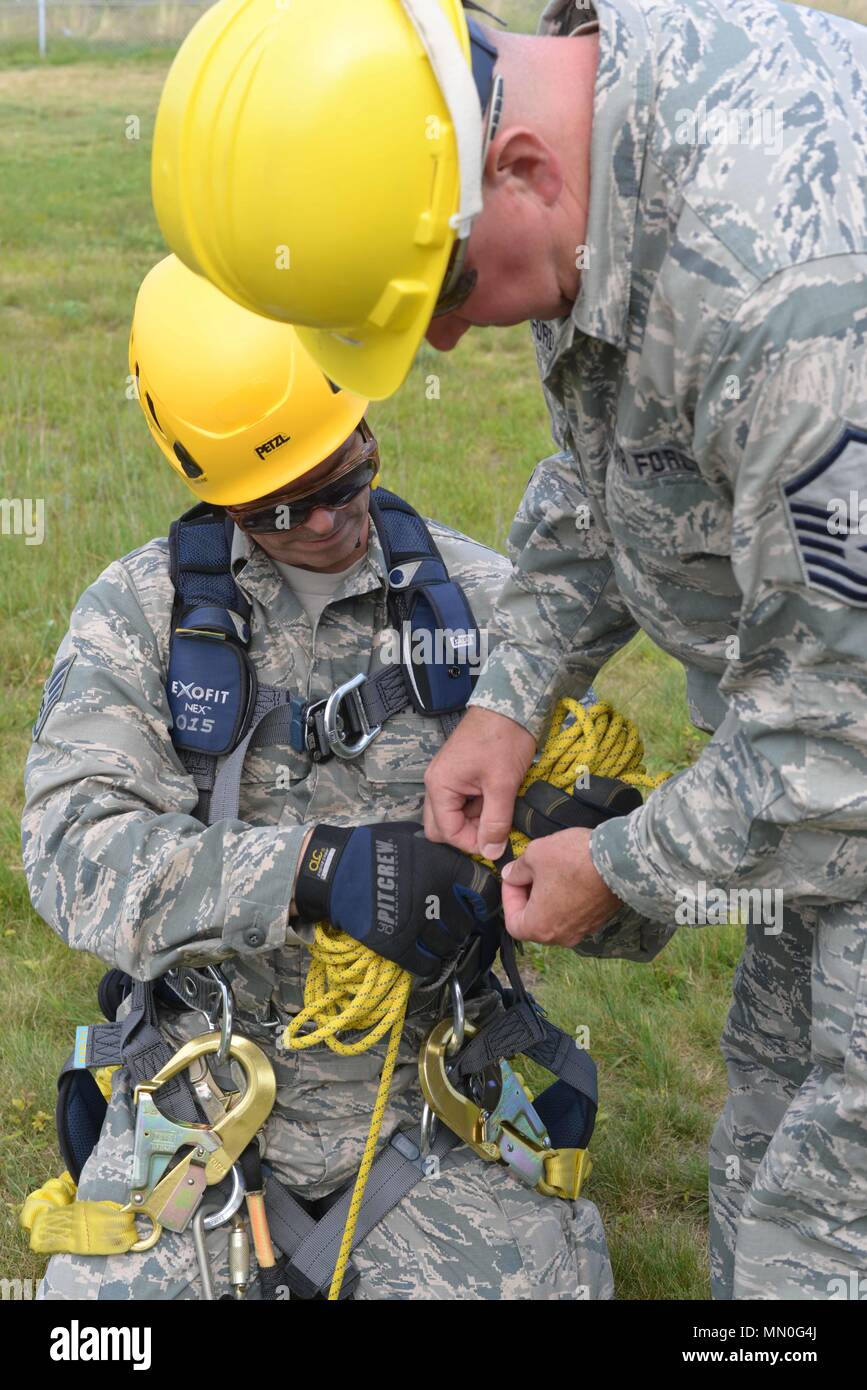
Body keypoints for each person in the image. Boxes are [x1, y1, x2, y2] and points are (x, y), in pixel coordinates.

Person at [149, 0, 867, 1299]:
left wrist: (622, 868)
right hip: (824, 779)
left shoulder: (778, 291)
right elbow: (614, 476)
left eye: (443, 292)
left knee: (819, 1224)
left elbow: (833, 732)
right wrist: (509, 696)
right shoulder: (573, 147)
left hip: (836, 749)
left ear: (519, 167)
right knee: (765, 1137)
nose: (431, 342)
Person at [21, 254, 614, 1301]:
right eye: (280, 509)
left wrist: (600, 856)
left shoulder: (488, 610)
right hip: (201, 1097)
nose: (329, 521)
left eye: (348, 475)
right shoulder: (138, 618)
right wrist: (310, 870)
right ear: (214, 490)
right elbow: (71, 856)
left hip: (433, 1101)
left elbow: (632, 923)